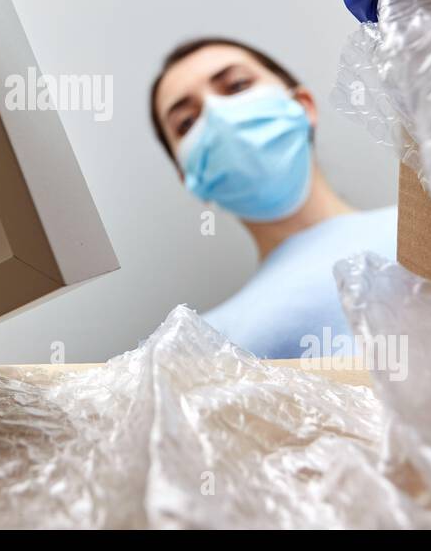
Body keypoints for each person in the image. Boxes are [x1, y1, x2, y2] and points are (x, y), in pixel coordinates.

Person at [149, 37, 395, 358]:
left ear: (302, 105)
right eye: (186, 122)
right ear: (188, 177)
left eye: (236, 85)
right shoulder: (208, 343)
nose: (217, 116)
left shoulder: (429, 221)